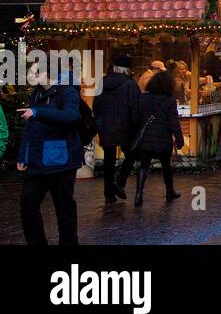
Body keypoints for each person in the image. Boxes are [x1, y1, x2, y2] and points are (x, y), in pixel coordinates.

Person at [17, 67, 83, 245]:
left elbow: (72, 116)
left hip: (62, 159)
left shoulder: (67, 91)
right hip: (38, 160)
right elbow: (29, 127)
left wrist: (39, 112)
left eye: (36, 72)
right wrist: (23, 155)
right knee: (28, 203)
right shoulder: (37, 93)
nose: (31, 75)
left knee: (64, 208)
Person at [128, 70, 185, 206]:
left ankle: (138, 194)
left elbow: (136, 117)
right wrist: (179, 139)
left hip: (146, 138)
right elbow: (174, 122)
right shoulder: (169, 101)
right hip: (162, 138)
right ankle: (169, 191)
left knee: (144, 165)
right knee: (166, 165)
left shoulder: (144, 98)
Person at [93, 53, 139, 204]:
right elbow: (135, 107)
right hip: (125, 126)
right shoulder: (130, 84)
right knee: (131, 154)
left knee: (109, 160)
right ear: (126, 69)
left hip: (106, 126)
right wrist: (135, 126)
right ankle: (120, 181)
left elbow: (96, 106)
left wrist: (99, 124)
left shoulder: (102, 82)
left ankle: (108, 193)